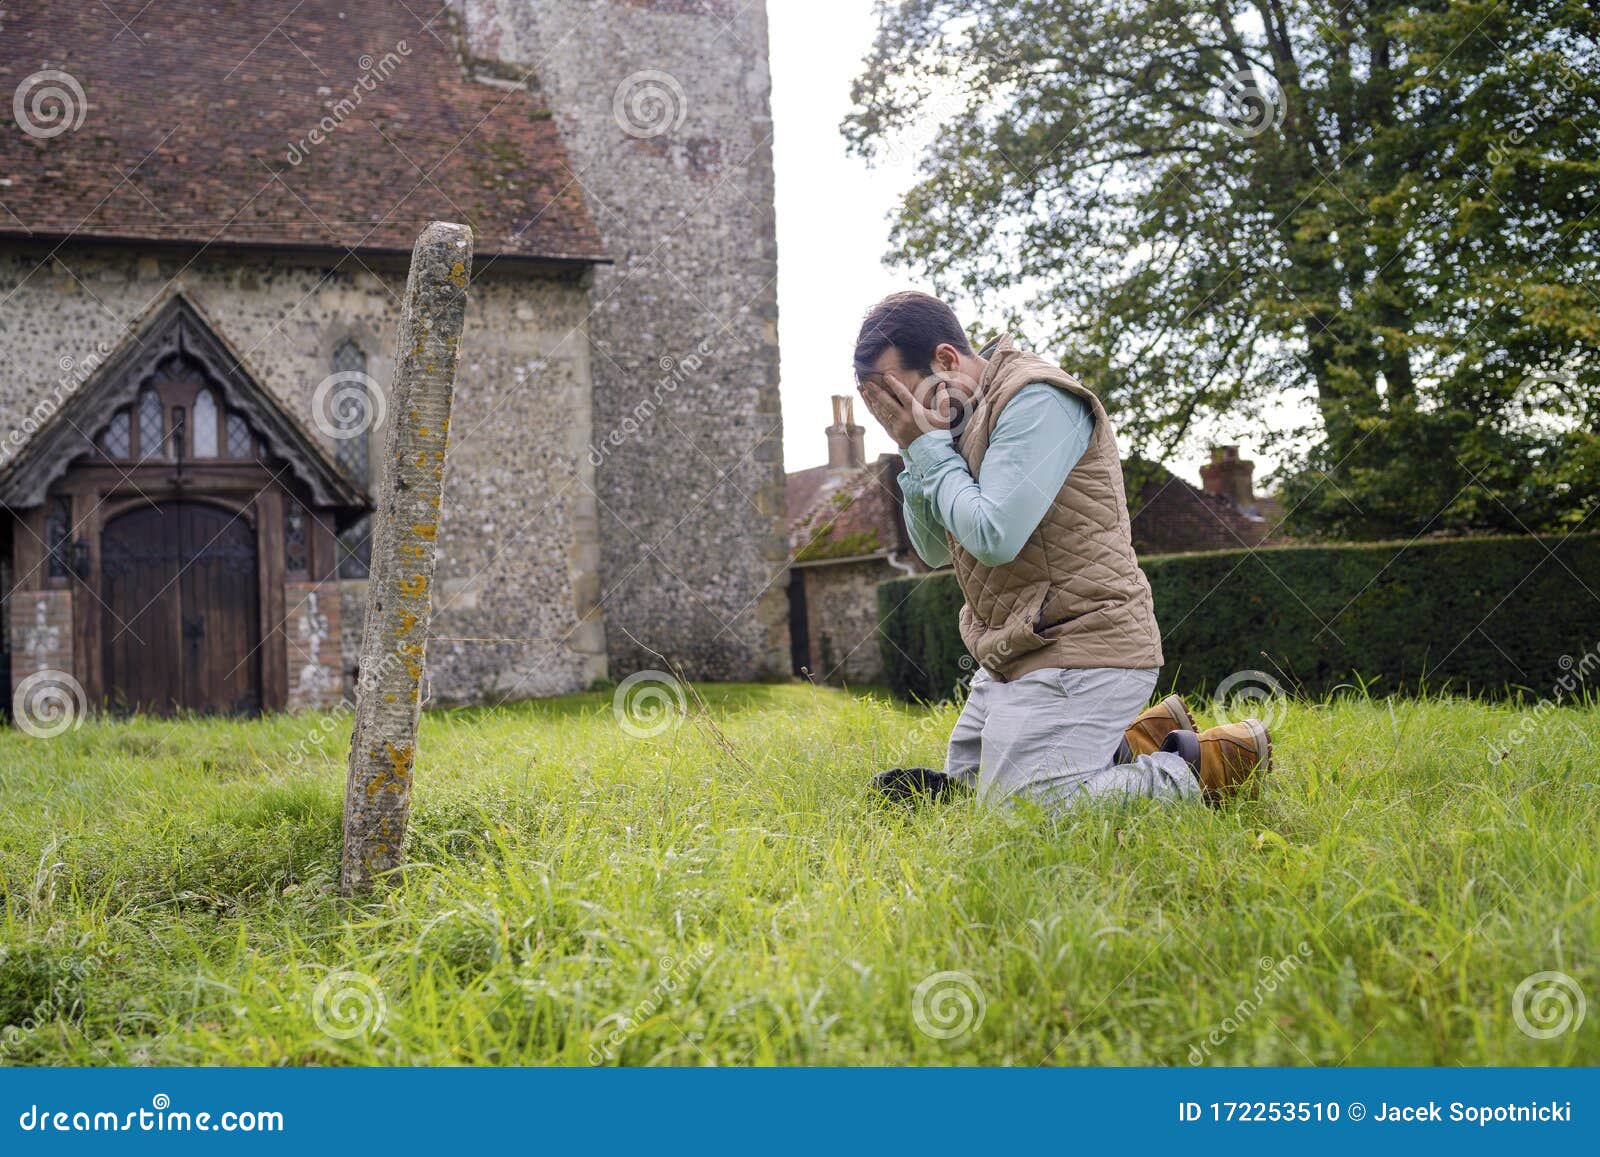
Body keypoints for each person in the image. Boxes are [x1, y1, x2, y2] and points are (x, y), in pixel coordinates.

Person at [852, 291, 1270, 811]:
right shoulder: (950, 423)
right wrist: (916, 455)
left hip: (1085, 645)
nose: (903, 417)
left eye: (901, 396)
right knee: (967, 799)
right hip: (1015, 653)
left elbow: (994, 536)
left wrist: (928, 450)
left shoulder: (1037, 399)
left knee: (1022, 810)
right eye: (888, 410)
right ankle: (1130, 745)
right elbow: (936, 551)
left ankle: (1211, 763)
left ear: (945, 360)